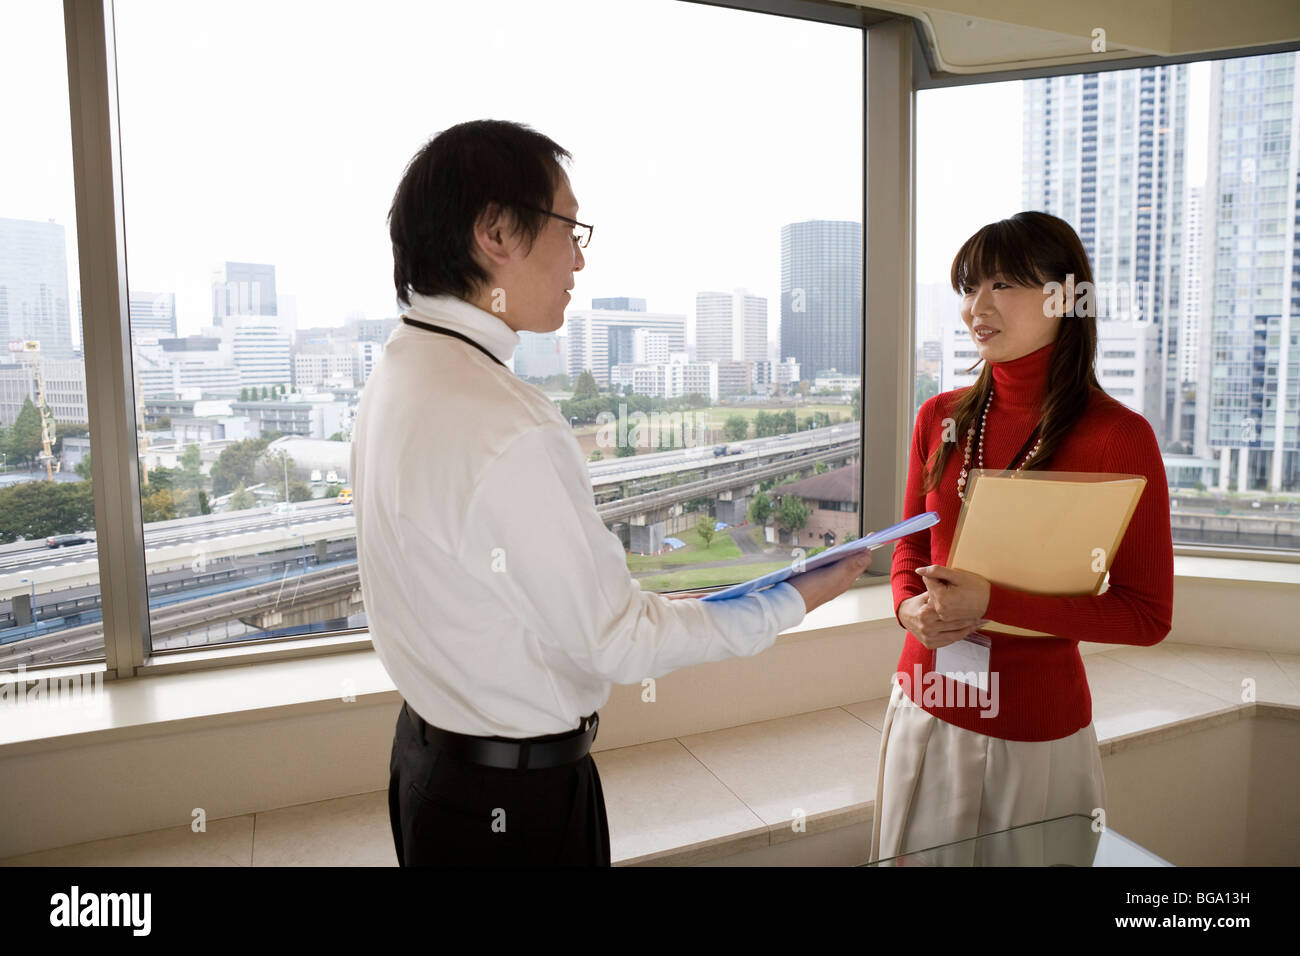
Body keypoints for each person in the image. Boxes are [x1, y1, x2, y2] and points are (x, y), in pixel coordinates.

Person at [352, 119, 873, 867]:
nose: (580, 259)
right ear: (496, 232)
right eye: (569, 227)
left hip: (432, 770)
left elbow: (511, 599)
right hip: (512, 803)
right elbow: (619, 643)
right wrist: (790, 600)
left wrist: (646, 609)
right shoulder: (506, 424)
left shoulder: (403, 371)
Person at [869, 211, 1174, 864]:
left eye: (1002, 285)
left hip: (1035, 733)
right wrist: (906, 606)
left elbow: (1146, 616)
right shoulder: (940, 417)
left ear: (1065, 297)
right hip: (923, 707)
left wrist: (992, 605)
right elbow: (911, 545)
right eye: (969, 287)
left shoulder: (1118, 437)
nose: (976, 307)